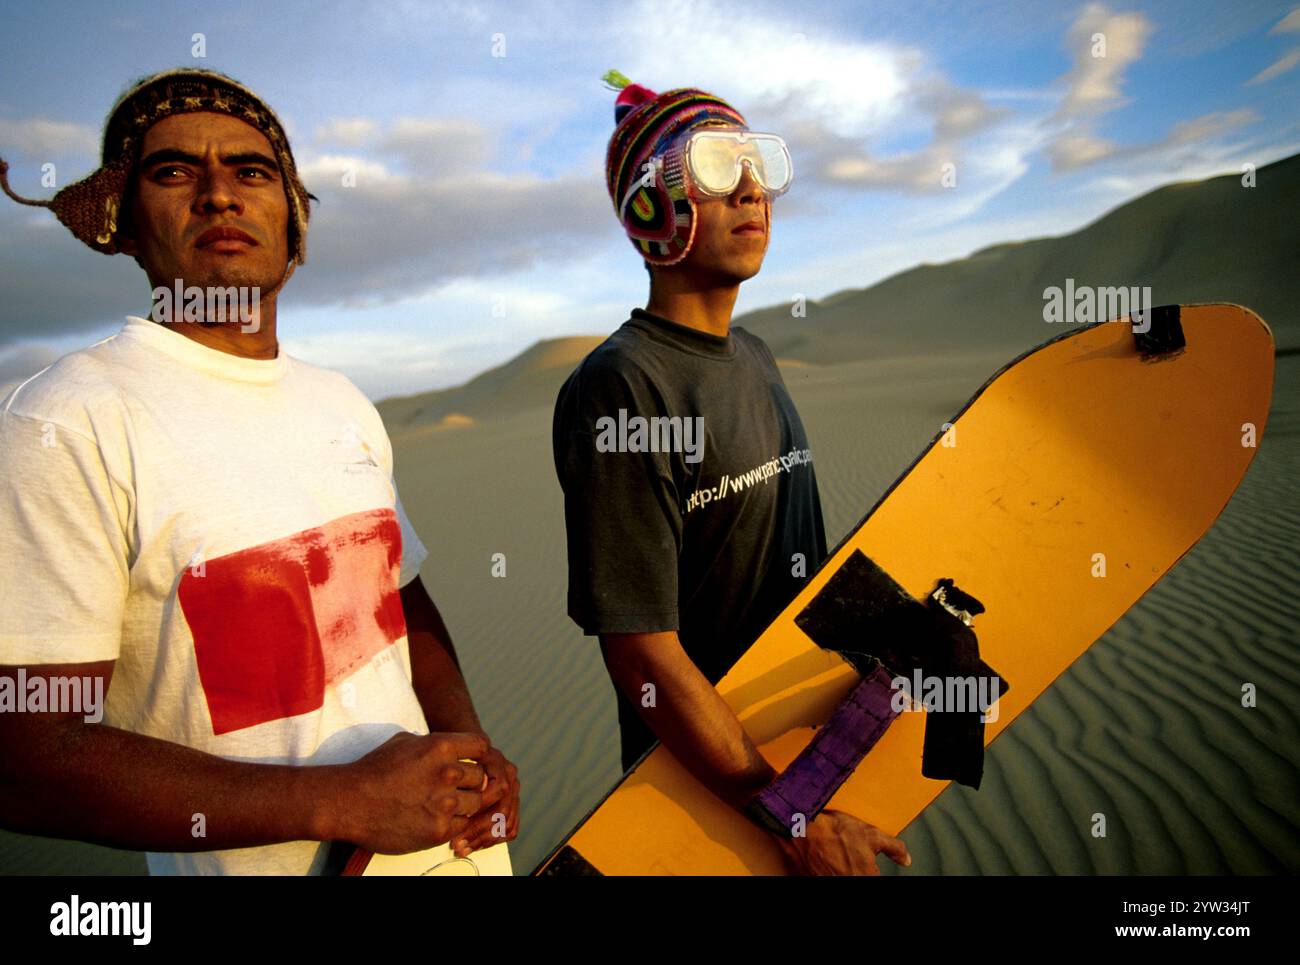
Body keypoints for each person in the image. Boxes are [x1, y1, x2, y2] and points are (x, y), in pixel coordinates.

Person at [0, 68, 518, 875]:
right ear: (126, 223)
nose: (218, 194)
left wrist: (468, 750)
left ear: (293, 220)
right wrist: (338, 800)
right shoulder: (68, 419)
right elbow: (26, 758)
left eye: (252, 170)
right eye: (173, 171)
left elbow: (401, 595)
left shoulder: (339, 400)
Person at [552, 74, 911, 876]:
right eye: (718, 168)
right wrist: (789, 808)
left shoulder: (754, 355)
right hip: (715, 814)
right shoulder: (622, 385)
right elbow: (642, 652)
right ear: (654, 210)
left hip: (809, 776)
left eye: (757, 164)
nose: (753, 189)